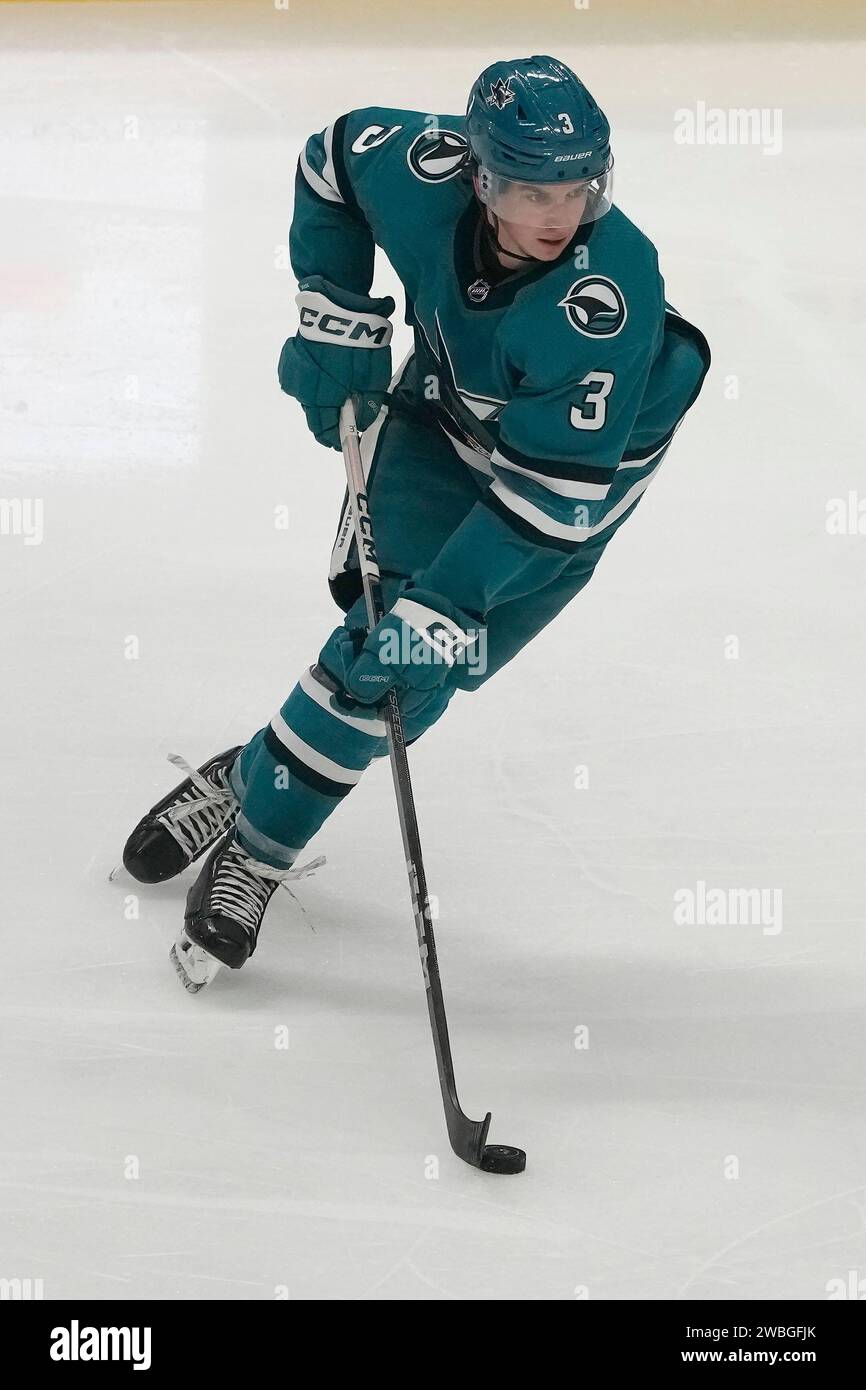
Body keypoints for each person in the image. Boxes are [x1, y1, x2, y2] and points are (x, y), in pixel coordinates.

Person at [122, 55, 710, 991]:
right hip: (443, 421)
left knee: (425, 663)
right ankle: (261, 849)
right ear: (477, 174)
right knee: (378, 658)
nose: (559, 212)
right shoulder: (421, 165)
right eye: (528, 188)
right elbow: (331, 165)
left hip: (561, 497)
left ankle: (254, 776)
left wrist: (444, 607)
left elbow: (547, 500)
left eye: (580, 187)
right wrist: (337, 319)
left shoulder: (607, 295)